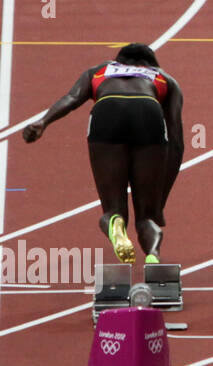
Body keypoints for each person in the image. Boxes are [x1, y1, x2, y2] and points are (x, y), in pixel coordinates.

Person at [23, 43, 184, 265]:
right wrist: (160, 201)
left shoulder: (99, 71)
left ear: (119, 61)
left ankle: (114, 220)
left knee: (113, 208)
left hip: (107, 112)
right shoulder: (163, 78)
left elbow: (71, 99)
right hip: (148, 112)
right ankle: (153, 255)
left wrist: (42, 122)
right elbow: (177, 142)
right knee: (146, 216)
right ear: (150, 65)